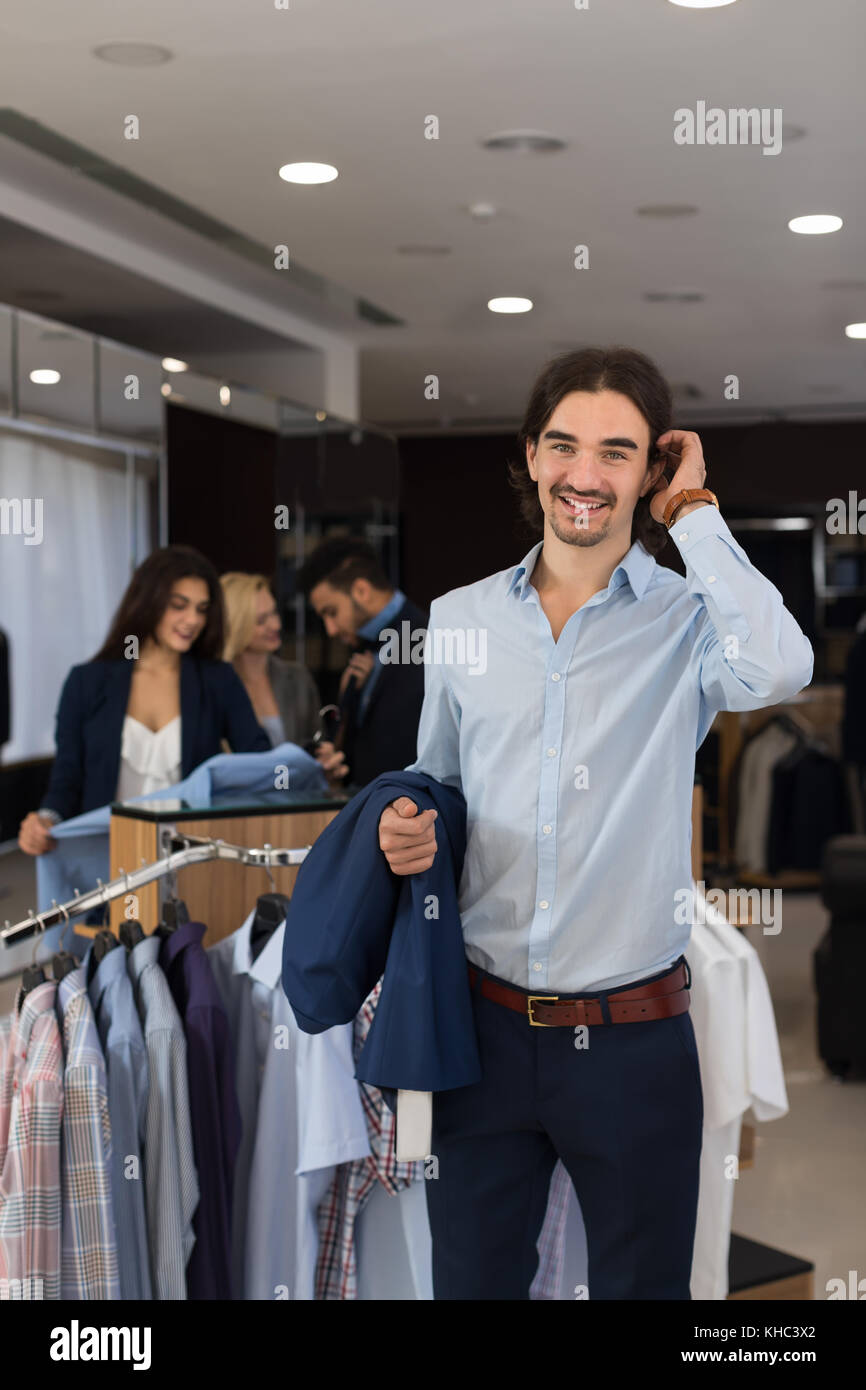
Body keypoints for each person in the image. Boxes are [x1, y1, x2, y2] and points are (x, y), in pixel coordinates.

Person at [377, 345, 814, 1300]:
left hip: (634, 1039)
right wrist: (408, 823)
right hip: (479, 1034)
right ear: (532, 455)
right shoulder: (458, 620)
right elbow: (437, 782)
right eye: (565, 446)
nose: (585, 475)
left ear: (654, 470)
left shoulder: (693, 620)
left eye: (618, 453)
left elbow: (781, 669)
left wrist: (694, 515)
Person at [18, 545, 271, 855]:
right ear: (148, 601)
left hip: (194, 857)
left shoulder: (218, 680)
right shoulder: (87, 682)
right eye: (179, 605)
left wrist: (307, 765)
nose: (192, 619)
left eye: (202, 609)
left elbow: (260, 760)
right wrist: (45, 819)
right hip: (107, 859)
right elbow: (66, 781)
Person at [298, 538, 427, 787]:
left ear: (361, 591)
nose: (330, 630)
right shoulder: (364, 646)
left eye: (331, 612)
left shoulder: (428, 640)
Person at [220, 570, 347, 786]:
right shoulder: (214, 685)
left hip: (294, 808)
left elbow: (316, 744)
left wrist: (325, 760)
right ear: (235, 623)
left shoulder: (298, 679)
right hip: (231, 810)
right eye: (261, 620)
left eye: (274, 613)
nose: (276, 625)